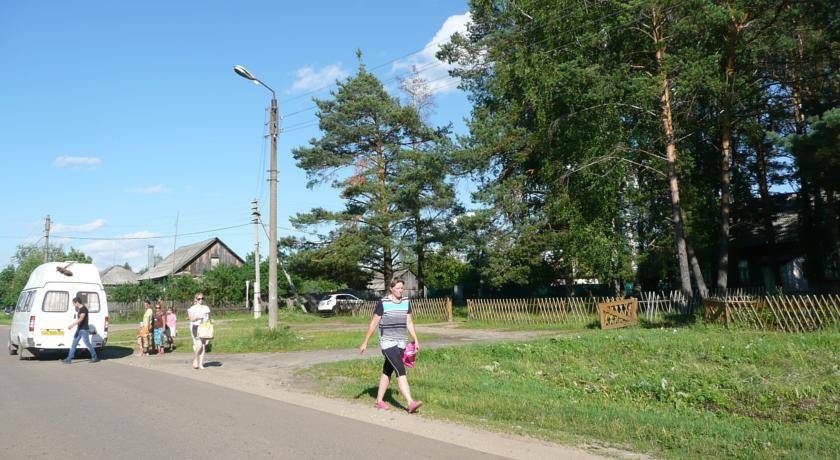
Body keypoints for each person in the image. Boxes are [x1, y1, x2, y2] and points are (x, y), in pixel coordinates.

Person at [359, 279, 422, 413]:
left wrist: (415, 340)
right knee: (400, 370)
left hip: (401, 342)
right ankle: (410, 402)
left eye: (402, 288)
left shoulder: (406, 302)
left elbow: (409, 322)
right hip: (387, 343)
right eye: (398, 288)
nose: (400, 290)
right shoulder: (383, 303)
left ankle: (379, 400)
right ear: (391, 288)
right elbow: (373, 323)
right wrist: (365, 342)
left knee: (387, 370)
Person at [64, 296, 99, 364]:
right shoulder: (80, 309)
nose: (73, 305)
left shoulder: (83, 309)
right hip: (79, 329)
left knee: (88, 344)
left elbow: (81, 319)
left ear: (77, 302)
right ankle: (69, 359)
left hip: (83, 330)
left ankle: (95, 357)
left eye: (74, 303)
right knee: (74, 344)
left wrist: (72, 325)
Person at [187, 293, 211, 370]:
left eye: (202, 298)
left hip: (204, 327)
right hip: (196, 327)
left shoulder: (206, 308)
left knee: (203, 346)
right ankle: (195, 359)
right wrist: (198, 317)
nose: (200, 300)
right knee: (199, 345)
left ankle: (200, 364)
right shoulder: (192, 308)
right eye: (199, 299)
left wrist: (209, 322)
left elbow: (208, 317)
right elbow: (191, 319)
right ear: (196, 299)